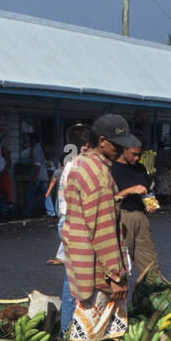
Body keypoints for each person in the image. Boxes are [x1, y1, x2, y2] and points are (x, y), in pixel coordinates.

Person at [63, 113, 134, 341]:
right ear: (102, 142)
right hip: (94, 259)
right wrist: (116, 275)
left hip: (79, 253)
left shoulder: (79, 164)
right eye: (117, 145)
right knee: (87, 318)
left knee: (92, 316)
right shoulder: (98, 174)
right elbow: (103, 229)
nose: (122, 150)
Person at [56, 124, 94, 317]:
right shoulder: (79, 166)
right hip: (74, 223)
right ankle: (68, 329)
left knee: (73, 279)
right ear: (86, 145)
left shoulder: (69, 164)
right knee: (74, 282)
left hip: (66, 220)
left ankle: (70, 327)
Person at [112, 144, 159, 280]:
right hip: (122, 216)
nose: (137, 158)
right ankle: (118, 297)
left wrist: (150, 203)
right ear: (124, 150)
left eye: (140, 155)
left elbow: (146, 192)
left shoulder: (141, 168)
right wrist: (129, 191)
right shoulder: (112, 169)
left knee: (150, 263)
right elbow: (109, 200)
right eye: (134, 154)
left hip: (140, 216)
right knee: (121, 264)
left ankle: (154, 295)